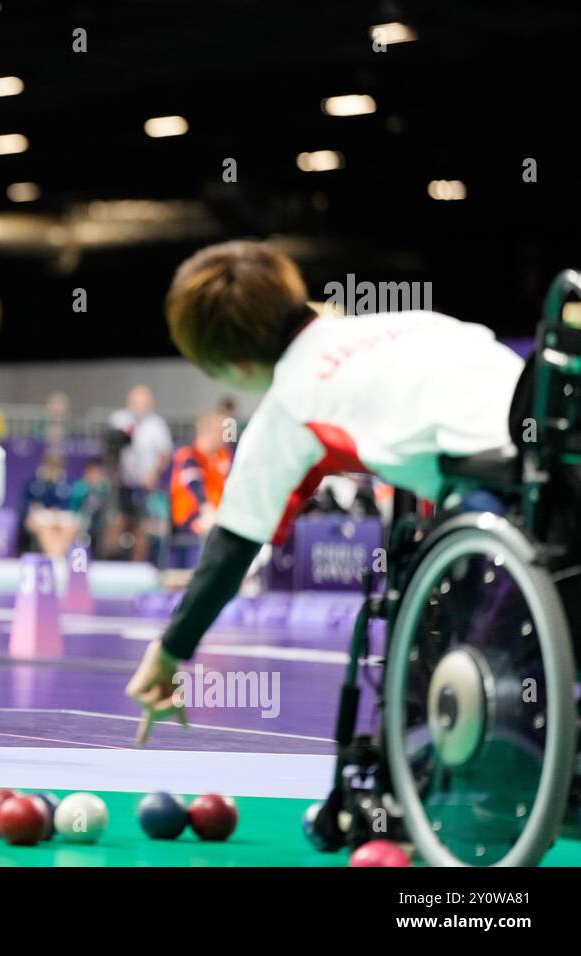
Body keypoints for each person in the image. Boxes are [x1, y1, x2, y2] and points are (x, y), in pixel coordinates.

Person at [125, 239, 526, 741]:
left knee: (449, 651)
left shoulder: (290, 403)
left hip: (500, 499)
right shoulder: (413, 321)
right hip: (555, 462)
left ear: (235, 366)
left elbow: (233, 547)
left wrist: (167, 655)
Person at [105, 385, 173, 562]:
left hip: (145, 484)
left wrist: (153, 473)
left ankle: (138, 567)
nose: (140, 405)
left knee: (143, 527)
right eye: (136, 401)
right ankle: (109, 566)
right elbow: (108, 449)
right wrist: (113, 473)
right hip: (121, 484)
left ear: (150, 403)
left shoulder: (157, 425)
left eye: (144, 402)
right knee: (115, 522)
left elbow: (165, 454)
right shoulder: (118, 419)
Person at [167, 408, 233, 568]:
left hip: (218, 516)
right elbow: (195, 485)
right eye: (222, 431)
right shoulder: (187, 455)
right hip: (190, 518)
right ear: (208, 431)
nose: (227, 437)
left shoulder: (223, 456)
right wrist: (208, 510)